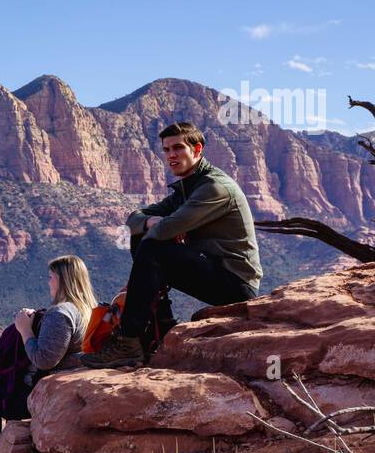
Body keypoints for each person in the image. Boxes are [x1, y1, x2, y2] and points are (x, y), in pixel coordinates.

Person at [79, 120, 262, 369]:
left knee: (153, 246)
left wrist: (155, 230)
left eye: (178, 148)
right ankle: (160, 326)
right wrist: (150, 221)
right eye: (166, 150)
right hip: (214, 270)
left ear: (197, 150)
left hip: (236, 284)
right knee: (144, 238)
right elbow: (133, 219)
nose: (171, 156)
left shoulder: (214, 187)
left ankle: (128, 340)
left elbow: (165, 230)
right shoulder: (187, 188)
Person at [0, 255, 98, 453]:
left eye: (51, 277)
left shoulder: (60, 313)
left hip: (50, 397)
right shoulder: (88, 309)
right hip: (71, 391)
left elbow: (44, 359)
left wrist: (24, 330)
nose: (48, 282)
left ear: (62, 280)